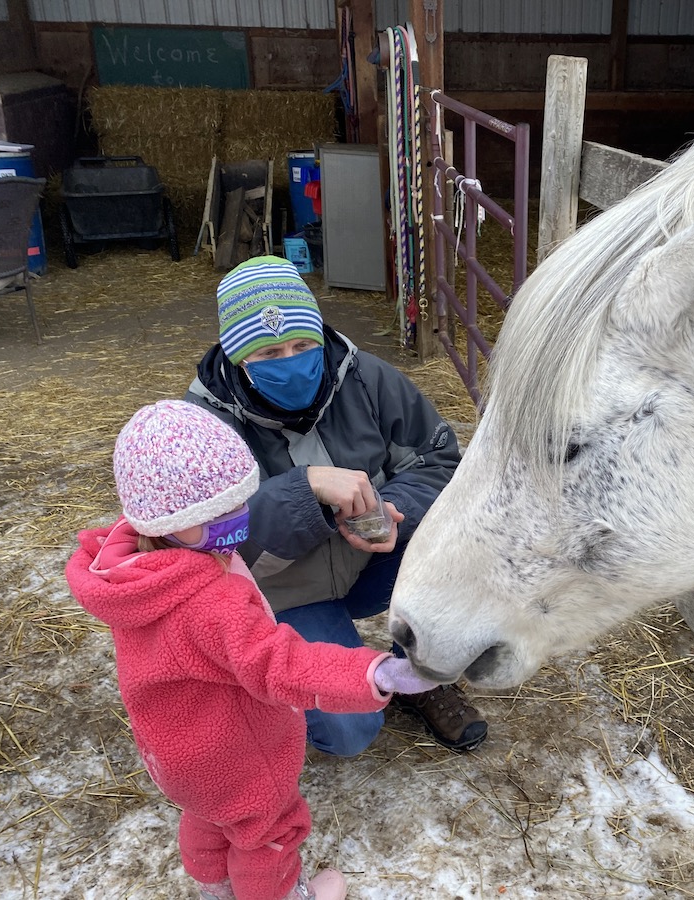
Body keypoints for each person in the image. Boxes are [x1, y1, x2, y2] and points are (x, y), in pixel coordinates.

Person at [66, 400, 438, 900]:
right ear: (163, 521)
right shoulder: (210, 600)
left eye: (239, 503)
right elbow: (280, 663)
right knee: (268, 834)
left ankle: (217, 887)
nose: (233, 523)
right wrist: (375, 674)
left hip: (176, 752)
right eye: (211, 516)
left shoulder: (133, 572)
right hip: (238, 752)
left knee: (208, 817)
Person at [183, 255, 488, 754]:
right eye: (268, 353)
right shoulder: (201, 425)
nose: (292, 361)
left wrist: (391, 507)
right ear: (236, 358)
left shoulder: (365, 377)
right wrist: (304, 493)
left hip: (365, 560)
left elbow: (440, 458)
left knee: (470, 553)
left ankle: (419, 678)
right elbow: (204, 545)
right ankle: (272, 687)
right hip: (282, 591)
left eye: (303, 344)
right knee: (350, 734)